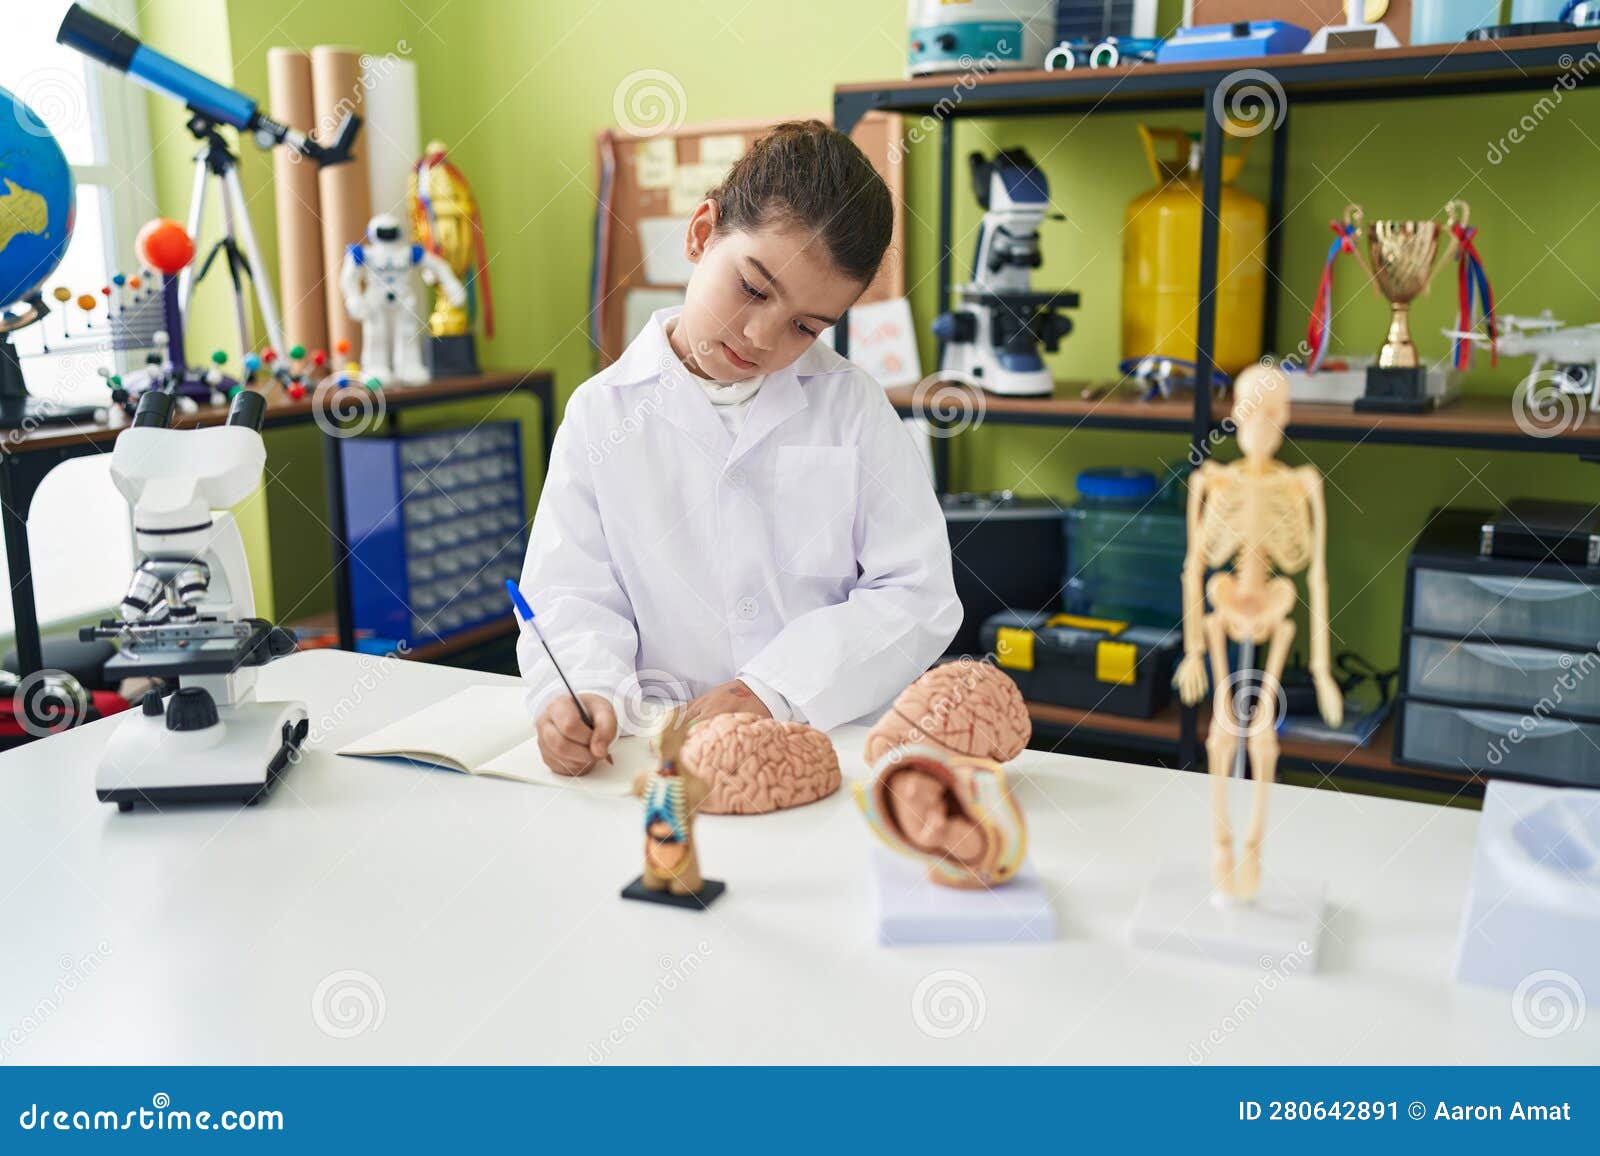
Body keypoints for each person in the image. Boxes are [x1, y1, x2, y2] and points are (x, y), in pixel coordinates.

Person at [518, 120, 961, 775]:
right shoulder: (600, 415)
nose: (761, 336)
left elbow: (917, 595)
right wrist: (578, 691)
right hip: (654, 755)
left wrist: (775, 689)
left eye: (805, 327)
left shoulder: (853, 407)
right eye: (753, 288)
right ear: (701, 234)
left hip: (822, 747)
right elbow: (571, 596)